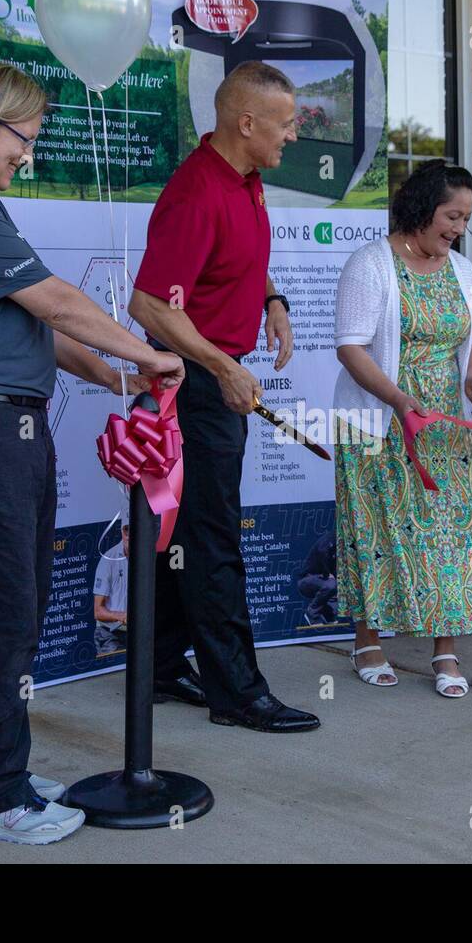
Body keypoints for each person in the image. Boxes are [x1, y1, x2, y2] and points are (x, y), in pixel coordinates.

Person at [0, 61, 183, 845]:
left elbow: (37, 330)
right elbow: (54, 300)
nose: (28, 155)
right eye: (24, 138)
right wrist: (150, 356)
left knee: (11, 602)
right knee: (5, 609)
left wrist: (118, 375)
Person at [128, 61, 319, 732]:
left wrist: (271, 299)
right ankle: (237, 693)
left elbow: (239, 256)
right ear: (247, 123)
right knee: (213, 539)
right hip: (194, 386)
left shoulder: (248, 179)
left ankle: (152, 667)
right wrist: (220, 365)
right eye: (287, 122)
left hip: (214, 374)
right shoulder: (196, 191)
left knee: (190, 532)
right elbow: (149, 304)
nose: (294, 134)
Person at [332, 159, 472, 697]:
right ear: (420, 208)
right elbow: (350, 347)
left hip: (444, 424)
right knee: (377, 531)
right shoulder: (371, 263)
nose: (459, 229)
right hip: (379, 418)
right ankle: (367, 638)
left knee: (451, 534)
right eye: (451, 216)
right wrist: (399, 401)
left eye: (465, 219)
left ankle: (446, 649)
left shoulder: (461, 270)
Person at [92, 517, 129, 656]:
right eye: (126, 529)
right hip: (110, 633)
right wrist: (122, 616)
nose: (130, 535)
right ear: (121, 532)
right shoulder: (108, 560)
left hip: (140, 630)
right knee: (115, 673)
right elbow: (98, 612)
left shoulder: (149, 555)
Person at [297, 529, 338, 626]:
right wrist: (327, 573)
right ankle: (311, 613)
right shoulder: (330, 539)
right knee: (331, 584)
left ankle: (327, 614)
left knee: (339, 587)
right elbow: (321, 551)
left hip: (322, 580)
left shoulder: (342, 545)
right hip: (306, 580)